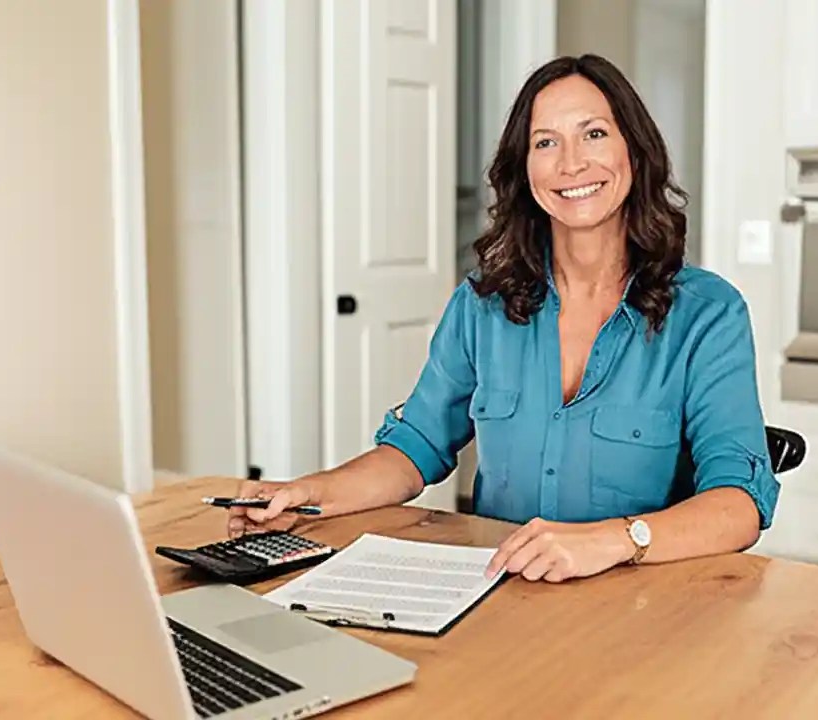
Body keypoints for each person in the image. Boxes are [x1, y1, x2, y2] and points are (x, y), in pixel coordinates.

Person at [228, 54, 779, 583]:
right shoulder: (482, 303)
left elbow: (740, 503)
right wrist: (310, 497)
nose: (571, 163)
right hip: (504, 591)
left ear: (634, 152)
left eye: (593, 134)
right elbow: (414, 447)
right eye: (546, 142)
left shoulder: (708, 314)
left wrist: (615, 540)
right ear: (525, 169)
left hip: (642, 612)